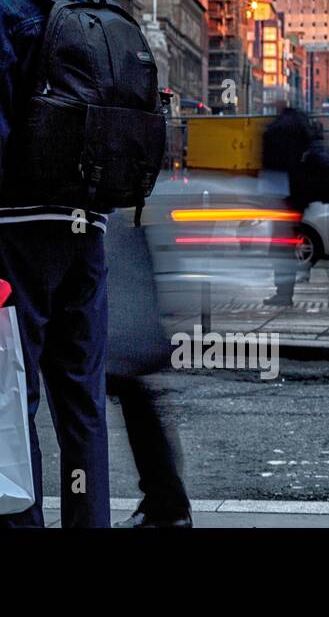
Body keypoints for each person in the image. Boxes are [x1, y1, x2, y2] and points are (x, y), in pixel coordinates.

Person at [0, 0, 111, 529]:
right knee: (82, 402)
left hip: (20, 231)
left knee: (14, 399)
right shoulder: (87, 0)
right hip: (88, 228)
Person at [103, 210, 192, 528]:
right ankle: (167, 501)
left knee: (134, 399)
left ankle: (167, 502)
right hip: (129, 299)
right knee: (138, 400)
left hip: (122, 308)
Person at [260, 103, 315, 306]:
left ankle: (284, 293)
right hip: (297, 196)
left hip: (284, 196)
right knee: (286, 245)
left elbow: (272, 164)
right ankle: (286, 290)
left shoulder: (279, 130)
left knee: (280, 246)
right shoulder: (300, 126)